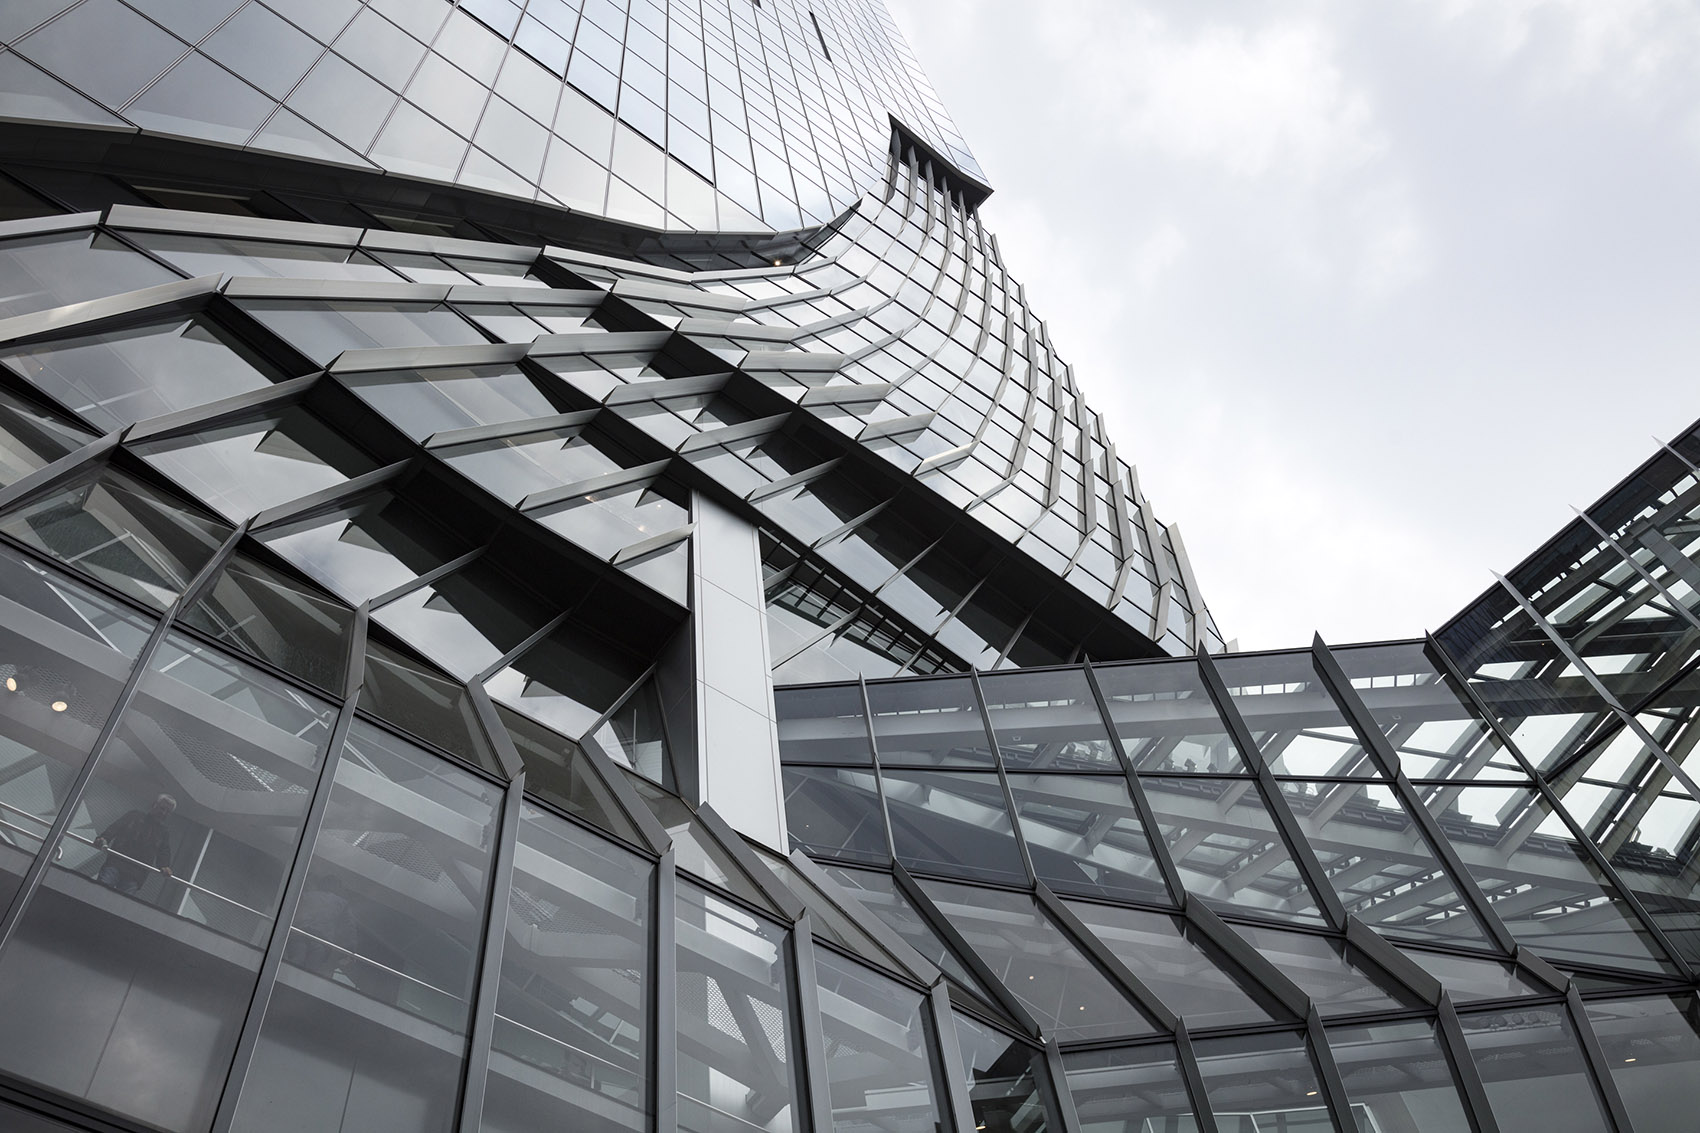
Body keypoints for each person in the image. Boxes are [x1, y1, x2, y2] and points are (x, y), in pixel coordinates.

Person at [94, 793, 175, 895]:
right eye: (162, 808)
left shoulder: (163, 832)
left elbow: (164, 851)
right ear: (154, 804)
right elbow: (115, 828)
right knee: (100, 892)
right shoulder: (134, 816)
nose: (163, 813)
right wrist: (104, 838)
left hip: (136, 874)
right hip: (116, 863)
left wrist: (164, 865)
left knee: (119, 902)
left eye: (167, 812)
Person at [288, 874, 359, 980]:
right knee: (310, 972)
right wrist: (350, 949)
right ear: (337, 888)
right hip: (321, 940)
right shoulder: (342, 903)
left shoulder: (306, 896)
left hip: (299, 934)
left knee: (295, 962)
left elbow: (291, 913)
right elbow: (349, 928)